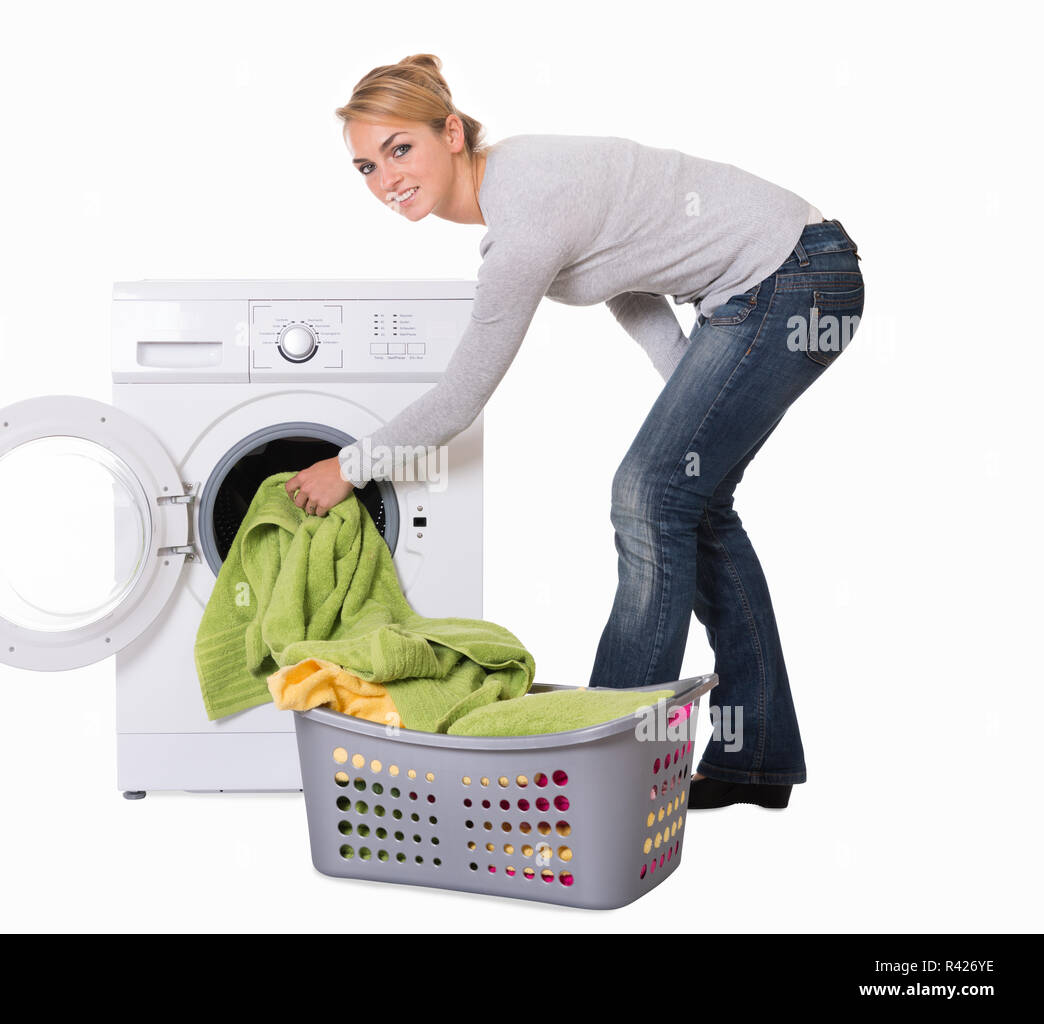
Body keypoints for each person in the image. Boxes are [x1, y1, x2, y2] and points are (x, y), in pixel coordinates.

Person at [284, 53, 865, 810]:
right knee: (689, 504)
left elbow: (463, 394)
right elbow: (633, 282)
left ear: (451, 133)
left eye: (401, 149)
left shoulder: (524, 215)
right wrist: (696, 411)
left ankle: (601, 769)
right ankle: (753, 761)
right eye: (365, 165)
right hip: (781, 286)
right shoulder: (521, 191)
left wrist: (348, 467)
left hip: (793, 280)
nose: (386, 178)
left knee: (647, 496)